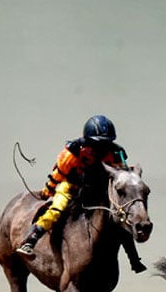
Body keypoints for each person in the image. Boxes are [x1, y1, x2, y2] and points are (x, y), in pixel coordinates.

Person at [15, 114, 147, 272]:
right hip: (71, 186)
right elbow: (59, 172)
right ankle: (30, 240)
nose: (101, 148)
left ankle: (134, 258)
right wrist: (48, 191)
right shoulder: (75, 151)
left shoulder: (116, 152)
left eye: (106, 143)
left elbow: (121, 174)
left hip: (100, 190)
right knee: (57, 209)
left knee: (119, 218)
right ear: (89, 140)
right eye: (97, 143)